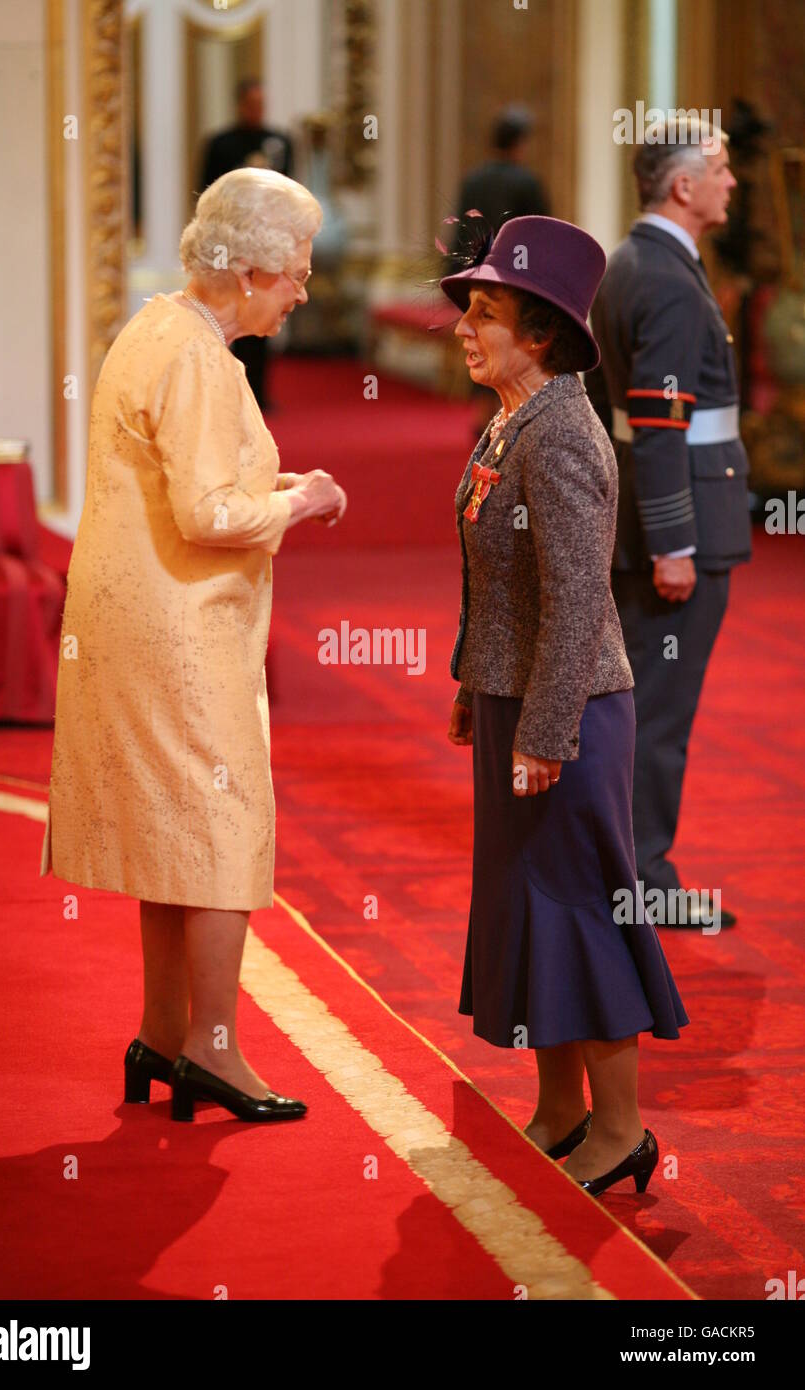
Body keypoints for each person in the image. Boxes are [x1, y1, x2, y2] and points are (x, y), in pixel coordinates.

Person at [40, 167, 346, 1124]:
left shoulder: (159, 327)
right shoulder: (203, 359)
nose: (303, 289)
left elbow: (193, 475)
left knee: (172, 825)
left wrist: (276, 479)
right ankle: (213, 1049)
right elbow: (212, 510)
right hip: (180, 629)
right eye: (295, 270)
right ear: (248, 270)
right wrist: (303, 500)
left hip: (134, 615)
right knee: (220, 826)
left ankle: (163, 1035)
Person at [440, 215, 688, 1196]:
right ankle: (556, 1107)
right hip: (517, 700)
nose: (462, 323)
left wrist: (544, 727)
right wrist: (474, 682)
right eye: (467, 304)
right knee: (527, 907)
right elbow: (499, 581)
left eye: (485, 309)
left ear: (538, 332)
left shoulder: (564, 434)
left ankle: (620, 1129)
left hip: (570, 716)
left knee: (578, 910)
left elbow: (580, 597)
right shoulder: (511, 417)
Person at [584, 117, 751, 930]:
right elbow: (659, 425)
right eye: (720, 170)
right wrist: (676, 544)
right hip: (676, 530)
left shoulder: (632, 264)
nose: (732, 182)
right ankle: (641, 878)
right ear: (683, 186)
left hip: (648, 522)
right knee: (658, 716)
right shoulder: (671, 281)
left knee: (640, 705)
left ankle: (625, 867)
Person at [450, 106, 550, 440]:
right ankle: (505, 416)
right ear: (520, 142)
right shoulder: (527, 182)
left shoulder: (474, 179)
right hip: (514, 279)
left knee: (479, 338)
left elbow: (462, 230)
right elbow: (539, 234)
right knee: (509, 342)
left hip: (476, 274)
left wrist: (455, 273)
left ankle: (483, 417)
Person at [199, 78, 295, 411]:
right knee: (233, 319)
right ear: (240, 104)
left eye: (261, 104)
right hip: (233, 246)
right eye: (251, 103)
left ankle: (259, 393)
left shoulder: (280, 141)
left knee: (265, 318)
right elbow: (208, 196)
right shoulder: (220, 144)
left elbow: (290, 195)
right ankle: (231, 392)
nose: (256, 110)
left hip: (269, 247)